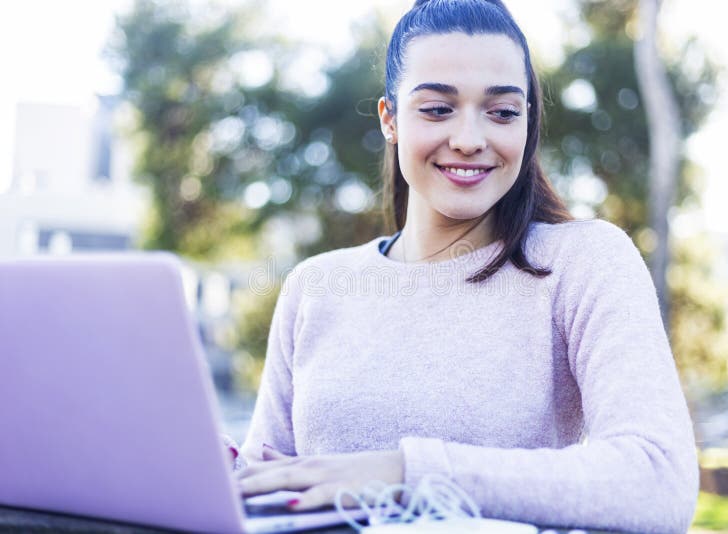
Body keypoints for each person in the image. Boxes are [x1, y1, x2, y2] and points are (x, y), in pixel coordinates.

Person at [236, 1, 699, 532]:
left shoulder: (582, 264)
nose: (470, 139)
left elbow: (658, 482)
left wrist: (407, 473)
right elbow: (263, 485)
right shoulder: (314, 286)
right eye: (437, 109)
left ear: (528, 121)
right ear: (390, 119)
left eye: (502, 112)